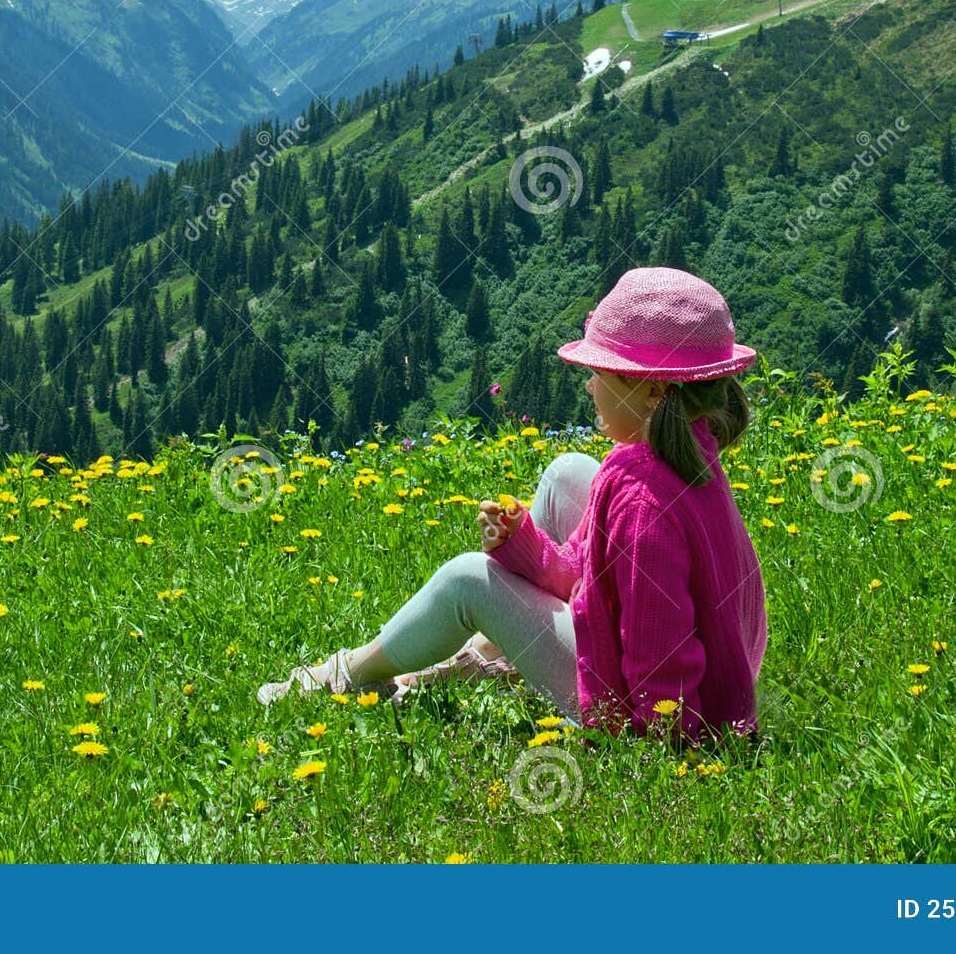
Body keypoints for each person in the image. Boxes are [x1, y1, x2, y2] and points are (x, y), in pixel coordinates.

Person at [256, 266, 768, 744]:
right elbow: (587, 572)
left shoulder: (642, 502)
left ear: (650, 390)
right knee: (569, 472)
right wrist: (522, 544)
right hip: (724, 672)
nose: (589, 385)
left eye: (600, 373)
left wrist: (663, 747)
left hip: (658, 711)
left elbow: (662, 659)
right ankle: (481, 659)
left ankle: (344, 675)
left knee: (468, 579)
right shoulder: (675, 455)